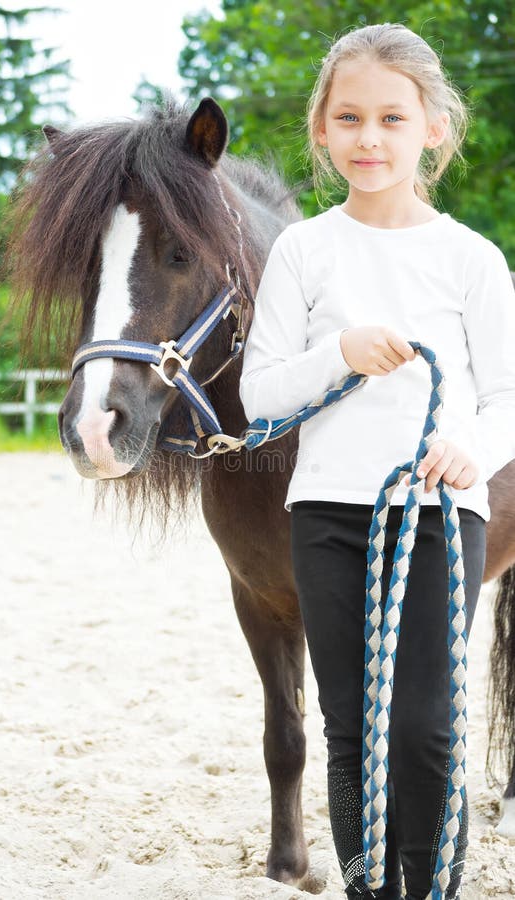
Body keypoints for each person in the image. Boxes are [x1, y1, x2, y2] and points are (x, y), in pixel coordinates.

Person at [238, 22, 515, 900]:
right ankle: (371, 892)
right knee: (352, 727)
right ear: (321, 128)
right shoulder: (302, 250)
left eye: (391, 118)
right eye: (349, 117)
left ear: (433, 127)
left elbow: (508, 395)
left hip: (437, 517)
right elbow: (261, 397)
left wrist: (469, 448)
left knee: (428, 729)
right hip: (327, 515)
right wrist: (340, 355)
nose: (368, 138)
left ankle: (430, 887)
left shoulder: (471, 260)